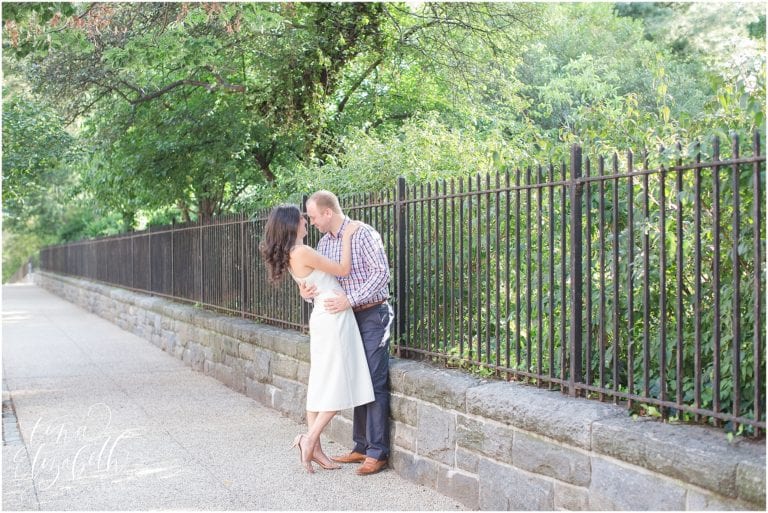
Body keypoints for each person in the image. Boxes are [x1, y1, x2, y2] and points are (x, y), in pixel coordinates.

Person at [259, 204, 373, 474]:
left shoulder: (291, 254)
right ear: (292, 224)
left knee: (321, 381)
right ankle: (309, 439)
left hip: (324, 314)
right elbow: (343, 269)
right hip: (334, 316)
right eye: (302, 217)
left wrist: (305, 292)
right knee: (340, 379)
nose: (306, 220)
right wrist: (348, 236)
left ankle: (315, 448)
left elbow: (309, 285)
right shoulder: (302, 252)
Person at [300, 190, 392, 477]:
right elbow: (324, 282)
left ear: (328, 212)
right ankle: (361, 446)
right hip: (343, 318)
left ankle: (377, 452)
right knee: (355, 377)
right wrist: (307, 293)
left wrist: (350, 300)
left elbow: (381, 274)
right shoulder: (324, 243)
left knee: (374, 379)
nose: (312, 222)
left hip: (372, 313)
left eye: (314, 216)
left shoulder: (363, 233)